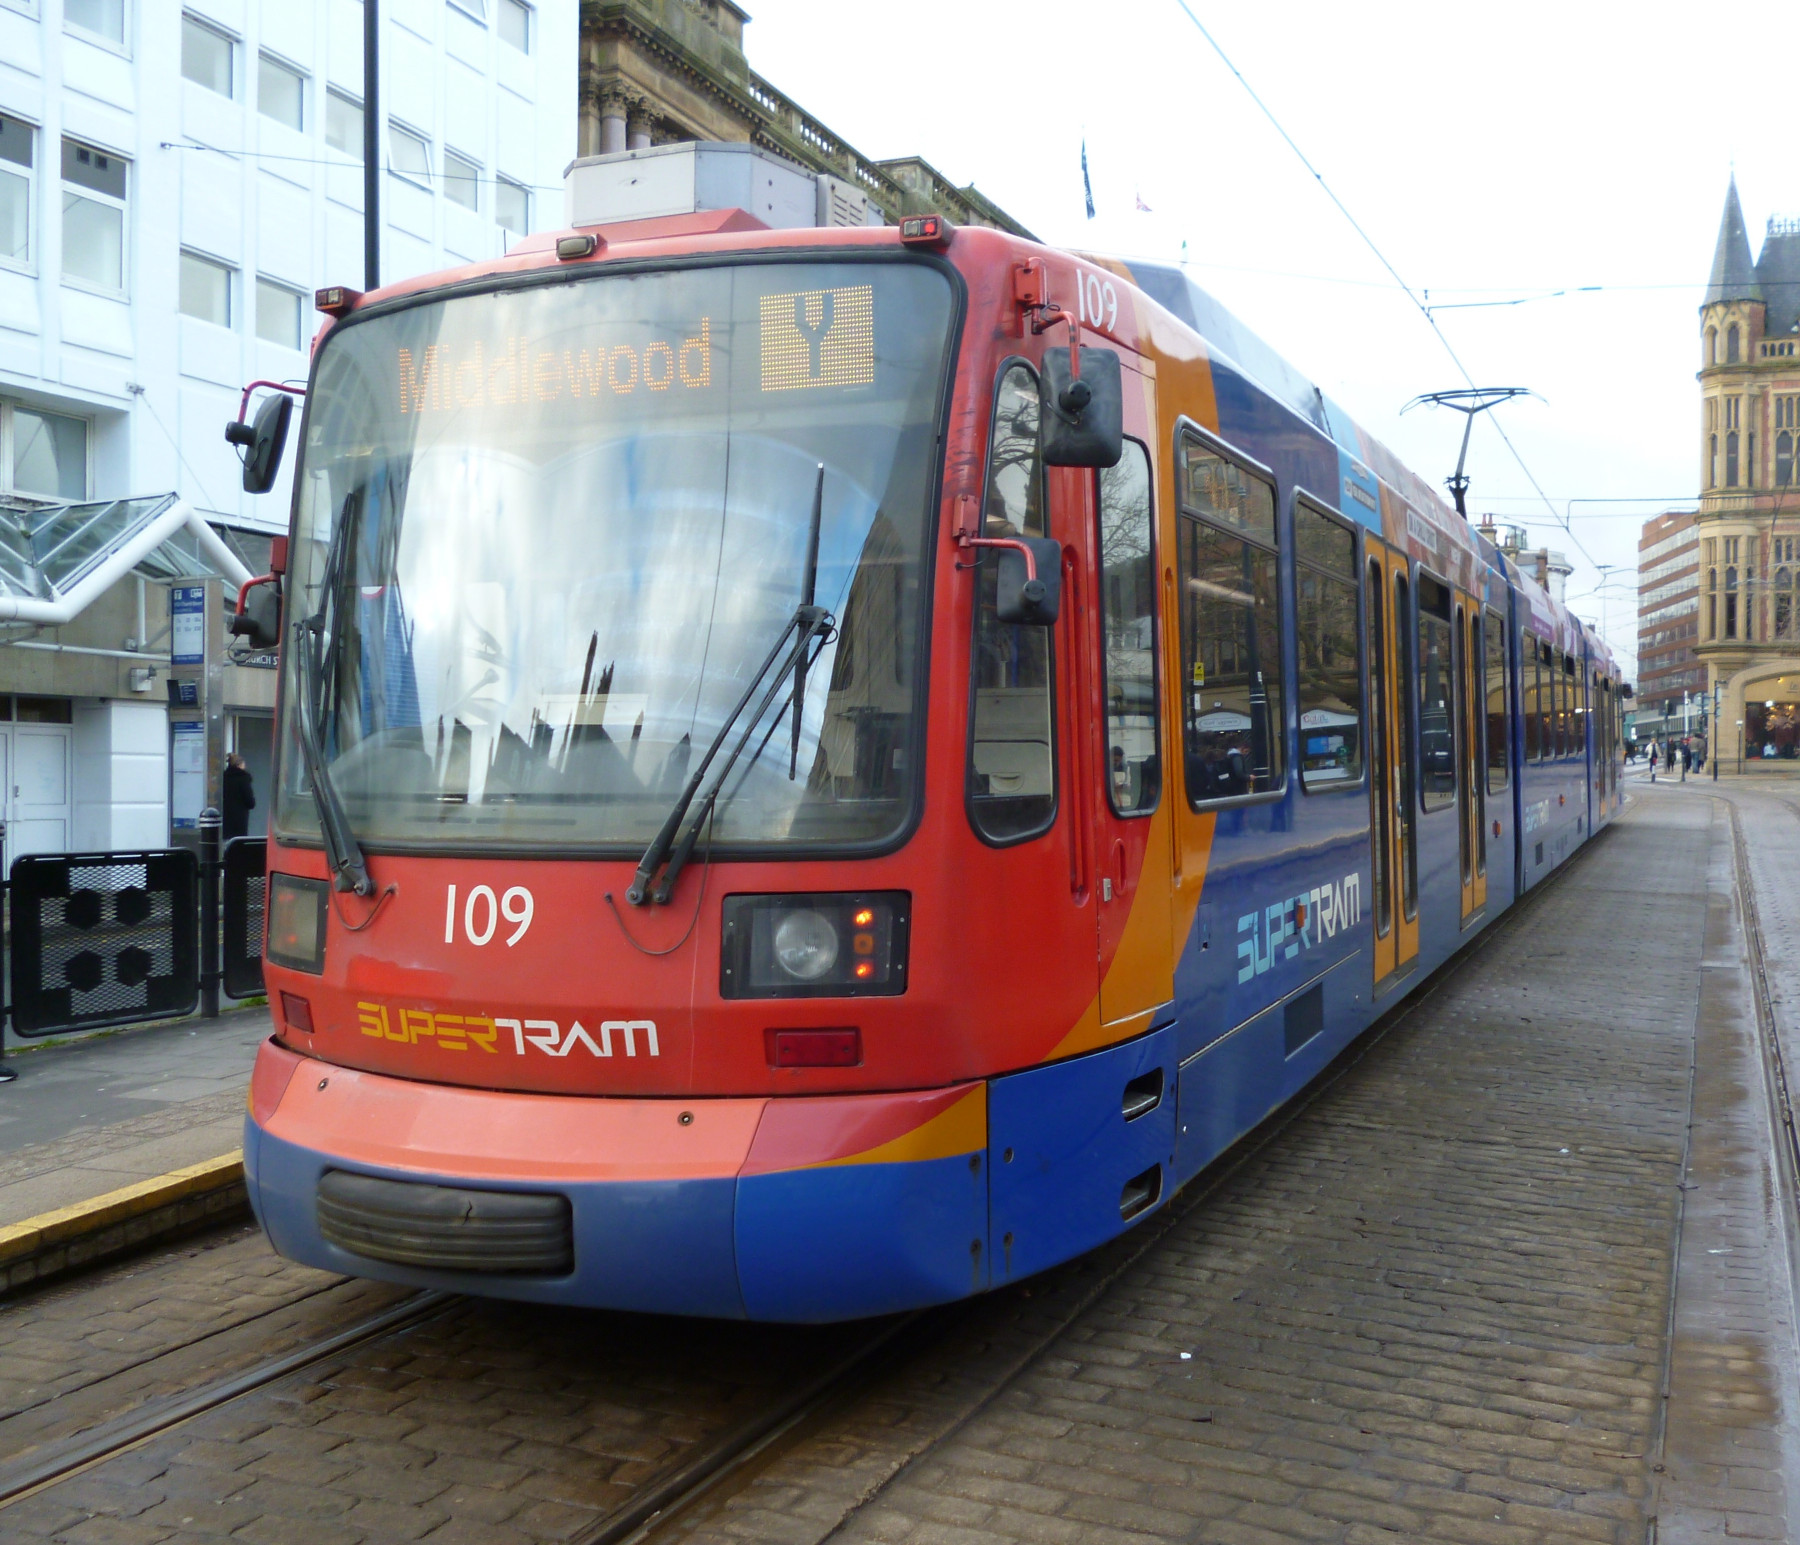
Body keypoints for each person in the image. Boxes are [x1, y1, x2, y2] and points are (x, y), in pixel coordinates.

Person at [223, 753, 256, 840]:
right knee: (238, 844)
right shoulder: (243, 778)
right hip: (239, 820)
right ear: (239, 765)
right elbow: (250, 802)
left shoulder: (223, 777)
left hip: (225, 819)